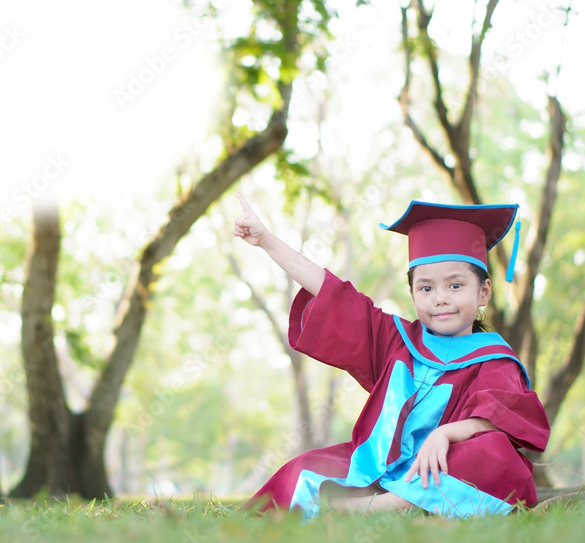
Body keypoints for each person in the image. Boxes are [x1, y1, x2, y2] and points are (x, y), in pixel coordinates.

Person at [232, 193, 550, 519]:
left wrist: (444, 435)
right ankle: (386, 502)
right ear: (412, 293)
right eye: (426, 288)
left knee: (496, 455)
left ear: (483, 292)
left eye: (455, 286)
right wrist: (266, 241)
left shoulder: (494, 359)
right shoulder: (395, 340)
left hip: (443, 465)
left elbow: (497, 418)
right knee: (303, 468)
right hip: (376, 469)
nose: (440, 298)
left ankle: (386, 506)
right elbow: (331, 292)